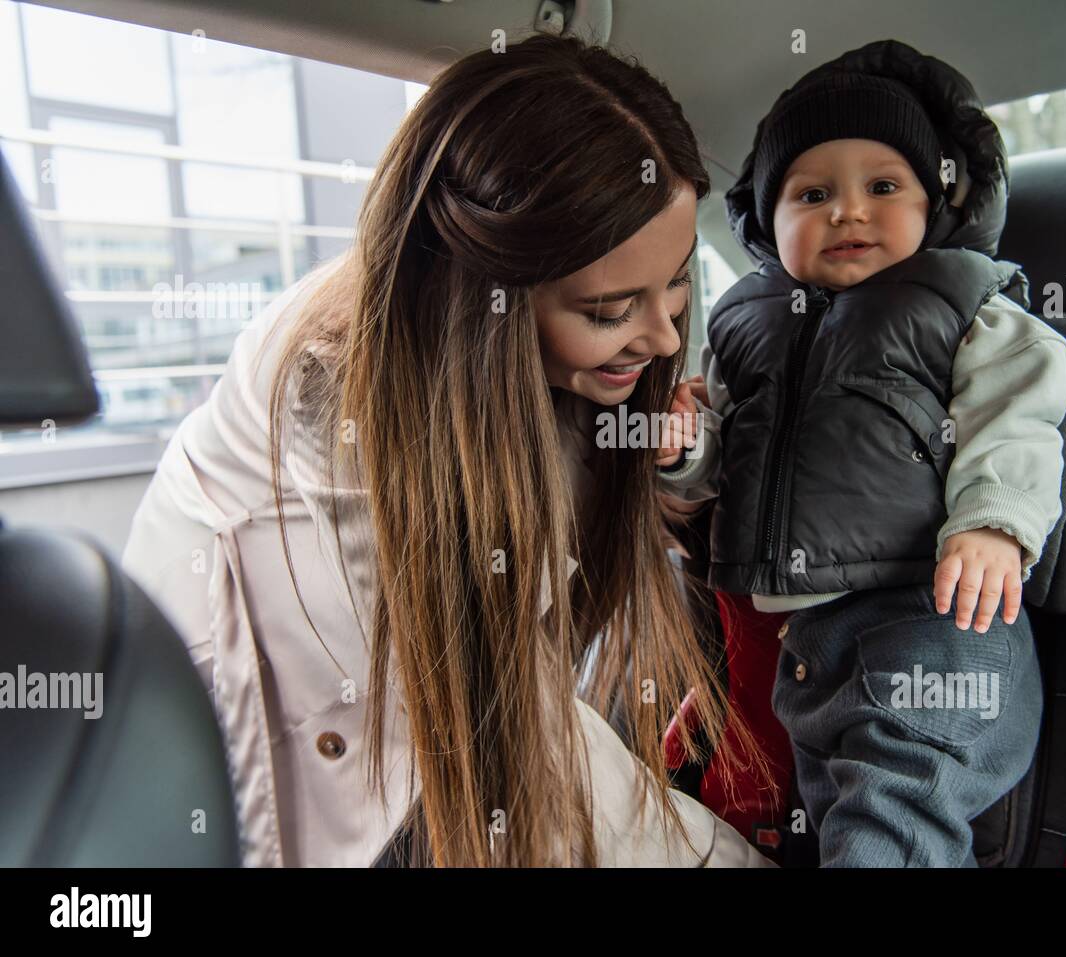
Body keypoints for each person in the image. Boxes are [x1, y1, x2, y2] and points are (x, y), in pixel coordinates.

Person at [121, 31, 772, 868]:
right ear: (488, 298)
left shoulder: (517, 362)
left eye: (678, 280)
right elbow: (535, 771)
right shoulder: (337, 429)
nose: (661, 332)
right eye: (612, 309)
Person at [656, 39, 1066, 866]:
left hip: (937, 614)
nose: (847, 211)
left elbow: (1018, 417)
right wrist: (684, 450)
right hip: (809, 641)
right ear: (768, 225)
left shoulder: (966, 304)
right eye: (812, 194)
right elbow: (733, 465)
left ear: (937, 205)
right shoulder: (745, 331)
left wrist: (994, 522)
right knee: (831, 815)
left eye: (883, 187)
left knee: (894, 804)